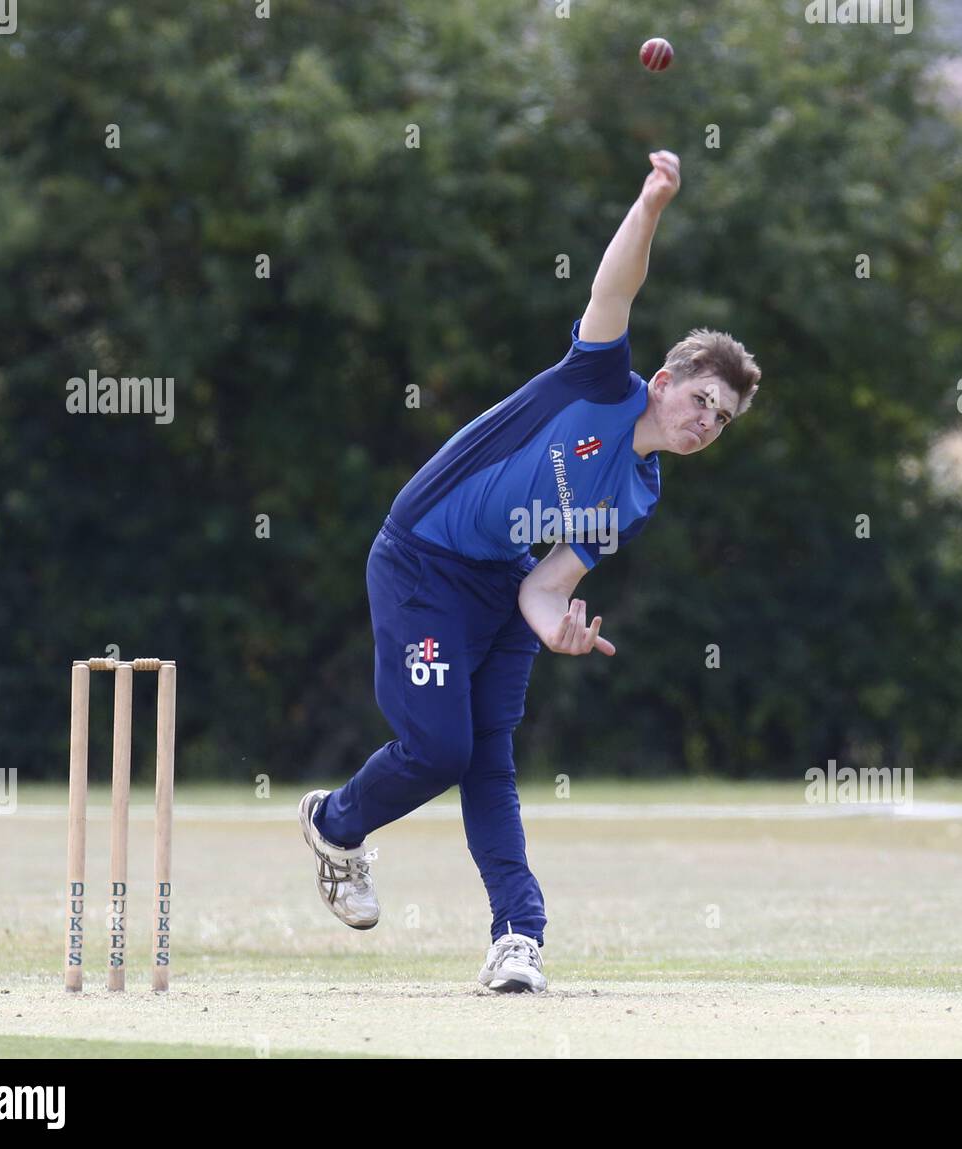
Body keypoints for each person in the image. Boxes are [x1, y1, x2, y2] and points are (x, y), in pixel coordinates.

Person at [300, 150, 760, 992]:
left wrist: (560, 627)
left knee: (489, 757)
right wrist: (653, 201)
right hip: (422, 560)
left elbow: (545, 584)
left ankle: (518, 937)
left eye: (721, 420)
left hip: (501, 581)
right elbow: (613, 289)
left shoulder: (640, 494)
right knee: (439, 748)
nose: (705, 421)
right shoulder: (599, 382)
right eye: (701, 399)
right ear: (664, 381)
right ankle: (336, 824)